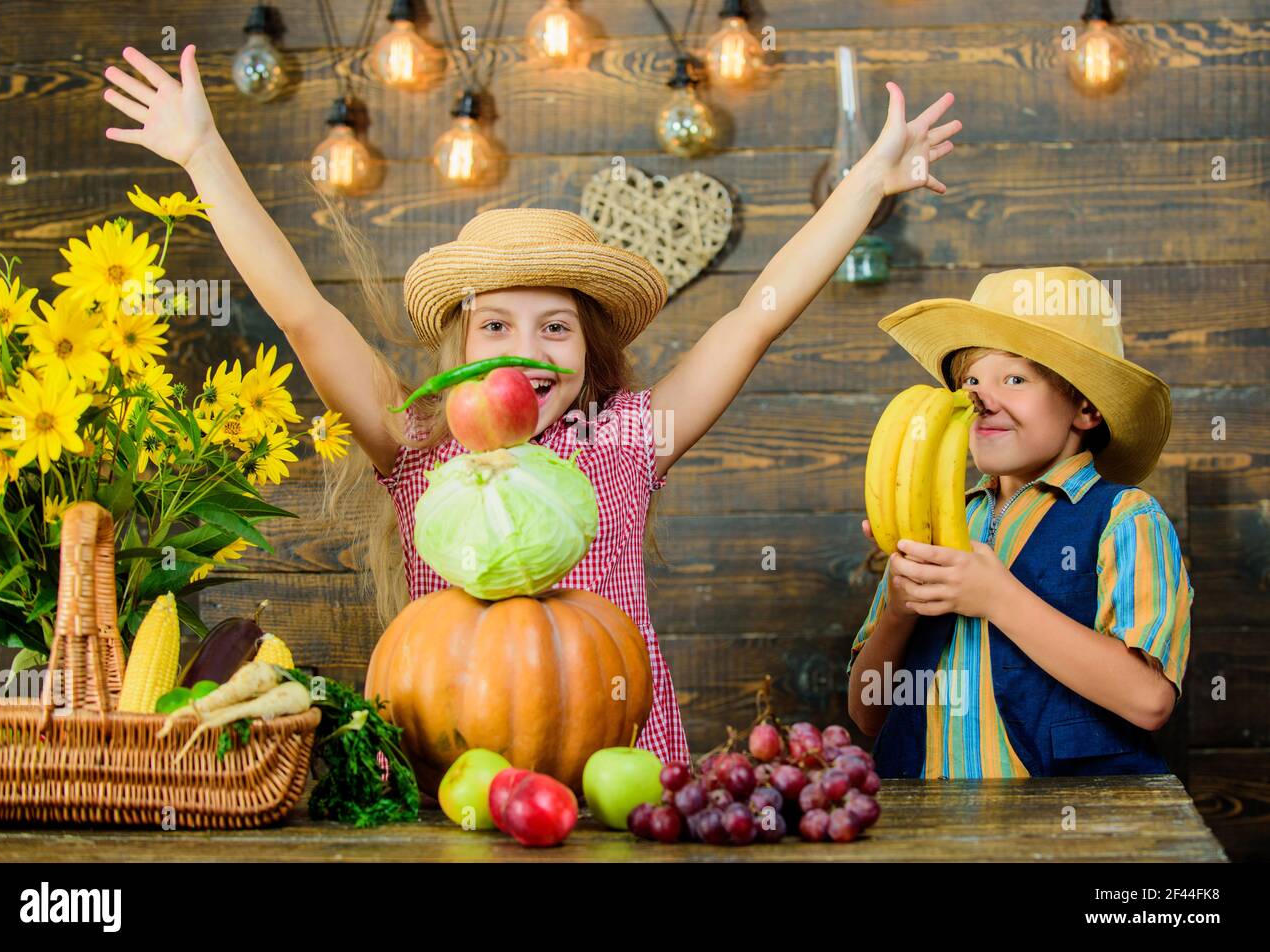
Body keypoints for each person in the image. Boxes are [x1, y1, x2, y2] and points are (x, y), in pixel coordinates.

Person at [102, 43, 960, 765]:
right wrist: (204, 155)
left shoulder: (629, 438)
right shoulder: (417, 446)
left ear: (590, 355)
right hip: (452, 775)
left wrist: (866, 188)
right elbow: (304, 313)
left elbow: (753, 319)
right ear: (463, 350)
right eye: (498, 325)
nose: (528, 349)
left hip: (621, 778)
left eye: (556, 326)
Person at [848, 267, 1193, 777]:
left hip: (1070, 836)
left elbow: (1149, 700)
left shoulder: (1125, 518)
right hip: (931, 831)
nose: (979, 399)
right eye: (970, 380)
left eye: (1014, 378)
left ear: (1086, 408)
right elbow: (867, 713)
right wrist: (900, 609)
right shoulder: (932, 521)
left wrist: (996, 597)